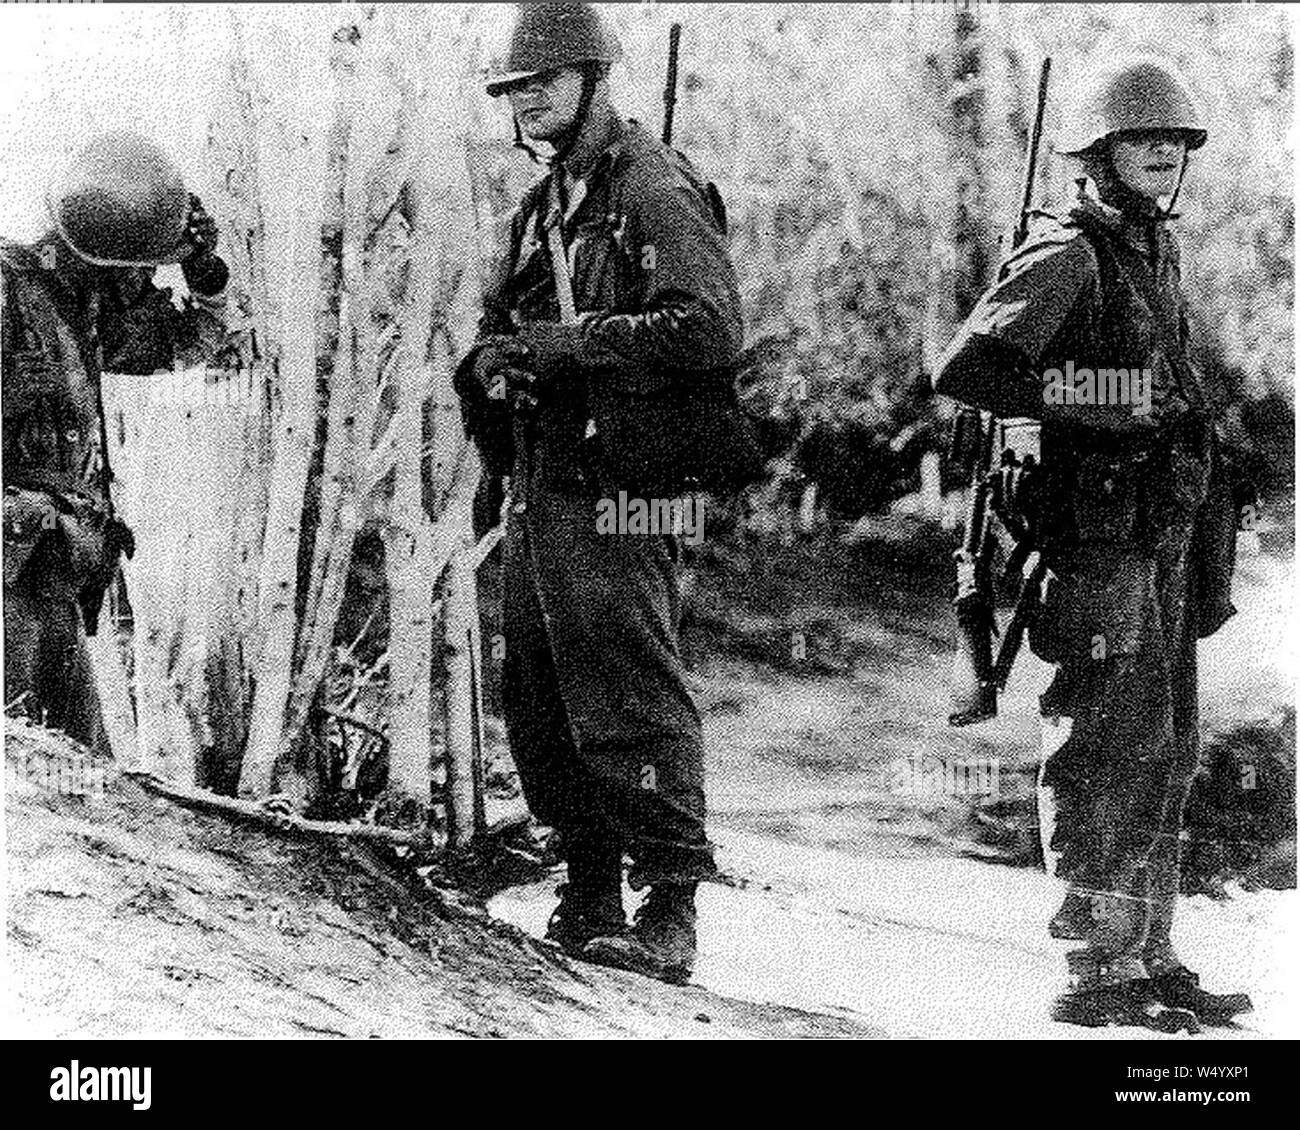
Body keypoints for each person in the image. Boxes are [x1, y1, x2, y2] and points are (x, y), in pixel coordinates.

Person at [934, 55, 1252, 1032]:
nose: (1161, 153)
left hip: (1160, 535)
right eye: (1139, 140)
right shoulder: (1066, 250)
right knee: (1101, 746)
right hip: (1097, 542)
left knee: (1163, 746)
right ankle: (1091, 965)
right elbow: (972, 369)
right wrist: (1109, 402)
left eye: (1173, 142)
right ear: (1098, 154)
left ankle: (1147, 951)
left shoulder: (1152, 247)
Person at [453, 1, 745, 984]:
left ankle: (668, 905)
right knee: (541, 692)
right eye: (512, 89)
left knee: (632, 686)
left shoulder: (648, 186)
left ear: (591, 79)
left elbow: (706, 326)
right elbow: (505, 328)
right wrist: (499, 367)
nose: (527, 101)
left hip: (629, 484)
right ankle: (587, 888)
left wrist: (573, 345)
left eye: (542, 82)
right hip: (543, 484)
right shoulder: (540, 208)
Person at [2, 130, 230, 754]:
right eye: (135, 271)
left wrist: (203, 277)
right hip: (14, 553)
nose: (139, 284)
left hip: (56, 554)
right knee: (29, 752)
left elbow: (191, 342)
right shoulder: (9, 291)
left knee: (72, 759)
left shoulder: (83, 308)